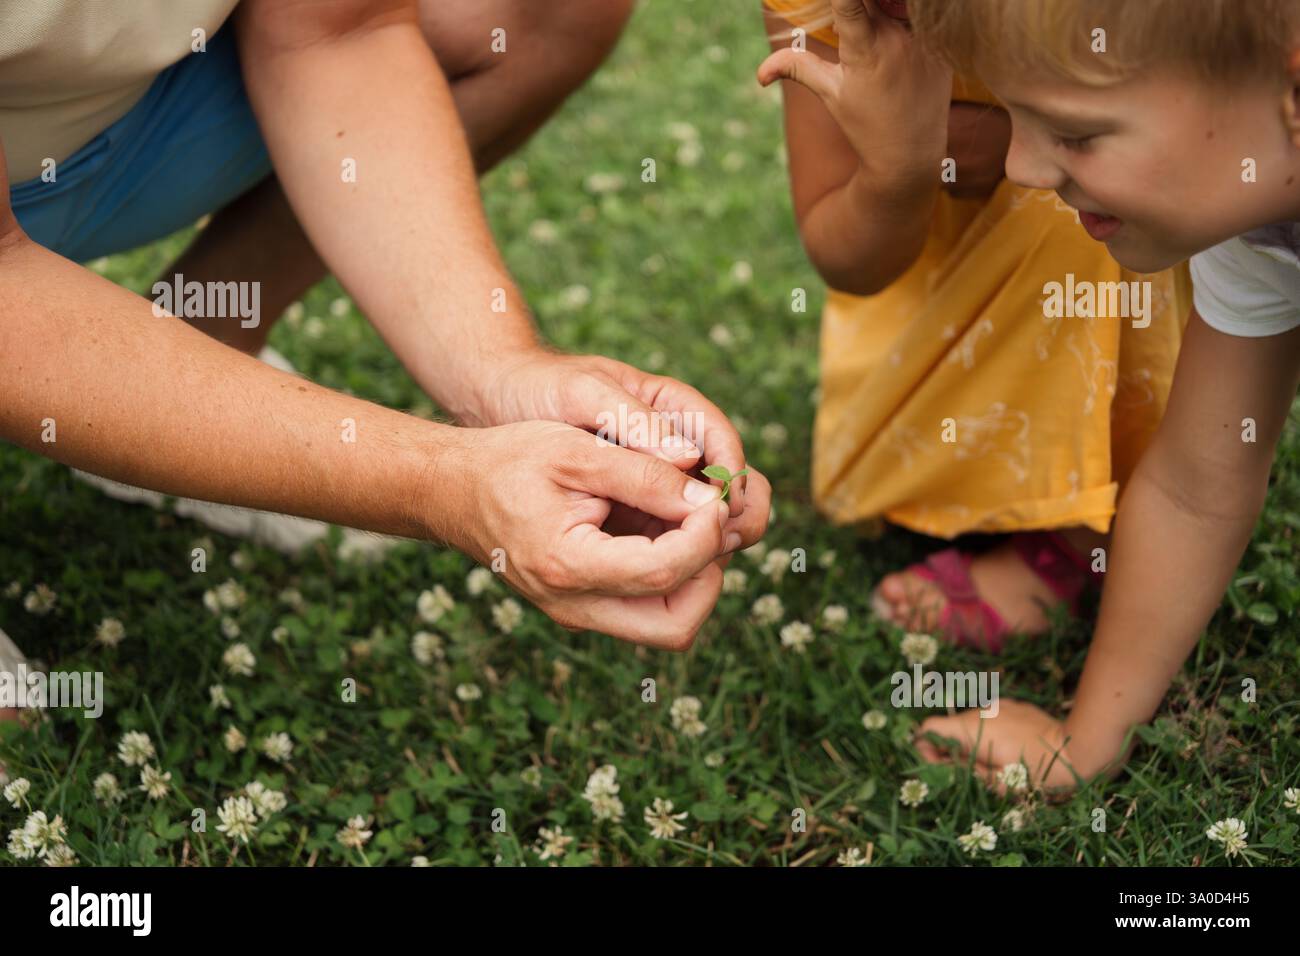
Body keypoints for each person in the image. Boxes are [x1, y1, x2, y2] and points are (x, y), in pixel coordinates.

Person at [0, 0, 771, 678]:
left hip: (114, 131)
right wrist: (444, 481)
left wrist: (500, 372)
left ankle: (186, 371)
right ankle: (142, 404)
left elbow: (339, 32)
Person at [902, 0, 1300, 789]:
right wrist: (1082, 745)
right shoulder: (1256, 212)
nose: (1021, 168)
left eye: (1076, 132)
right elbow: (1197, 486)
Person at [758, 0, 1189, 649]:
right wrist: (902, 163)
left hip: (1129, 238)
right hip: (932, 280)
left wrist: (1041, 129)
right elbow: (843, 254)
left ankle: (1080, 537)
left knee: (1086, 188)